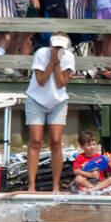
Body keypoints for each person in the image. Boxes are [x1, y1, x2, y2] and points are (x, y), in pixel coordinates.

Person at [26, 33, 75, 193]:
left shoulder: (68, 57)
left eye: (60, 47)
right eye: (55, 46)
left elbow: (61, 84)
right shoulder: (41, 53)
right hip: (36, 99)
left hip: (58, 101)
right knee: (36, 140)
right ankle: (31, 186)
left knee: (56, 141)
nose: (57, 49)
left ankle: (55, 185)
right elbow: (41, 81)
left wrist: (57, 64)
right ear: (50, 45)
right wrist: (51, 63)